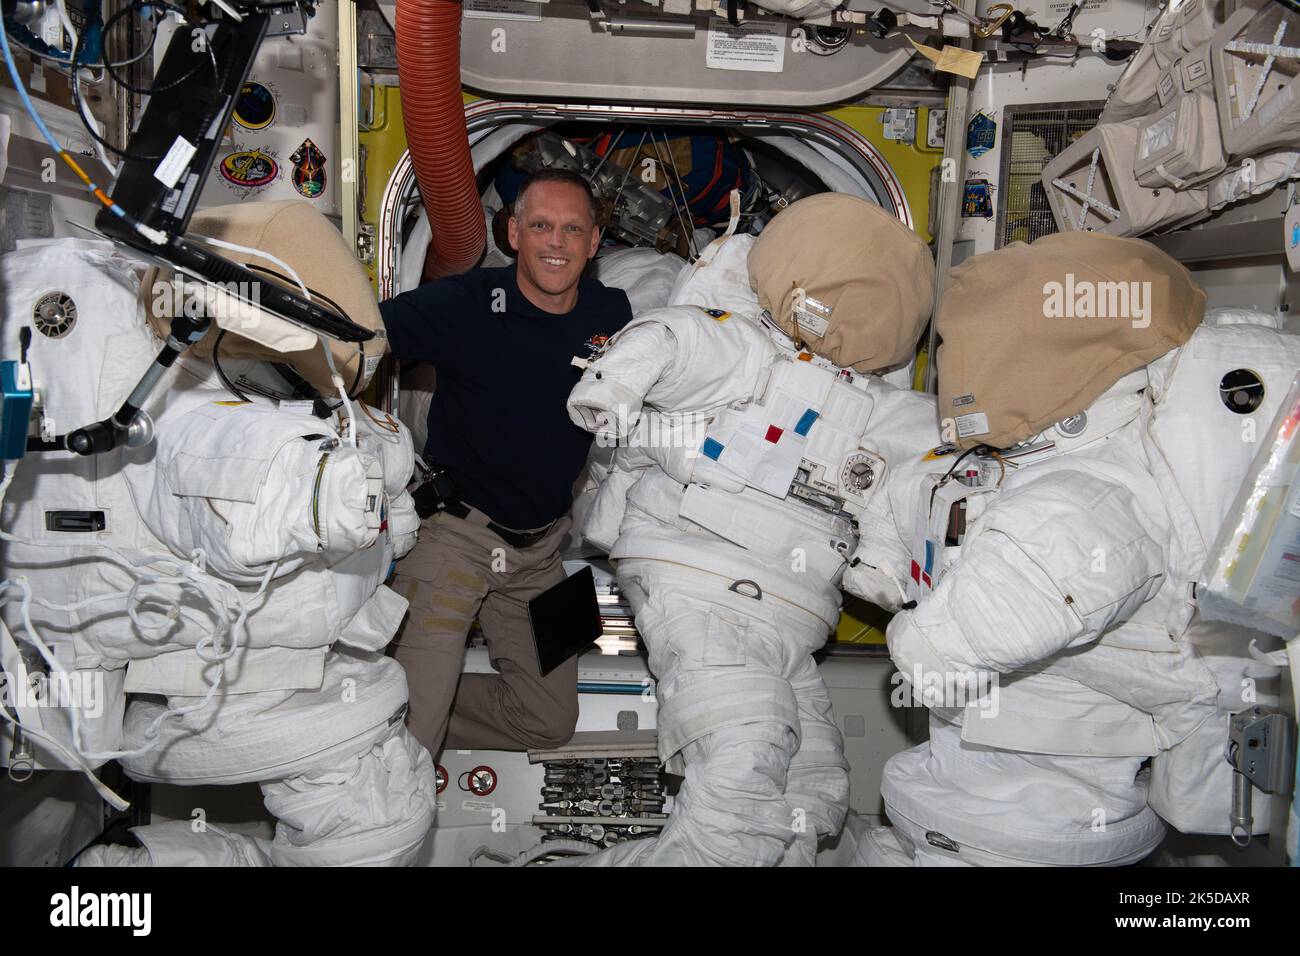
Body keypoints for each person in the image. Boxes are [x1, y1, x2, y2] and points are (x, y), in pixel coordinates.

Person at [856, 232, 1300, 866]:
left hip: (1032, 823)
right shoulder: (1015, 466)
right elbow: (915, 487)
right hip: (959, 788)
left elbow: (972, 632)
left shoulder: (1092, 495)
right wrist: (881, 557)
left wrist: (917, 642)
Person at [560, 193, 939, 865]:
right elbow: (669, 339)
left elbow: (900, 486)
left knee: (813, 796)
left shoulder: (883, 409)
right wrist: (611, 389)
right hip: (700, 578)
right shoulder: (745, 349)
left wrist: (882, 561)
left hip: (790, 619)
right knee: (743, 764)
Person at [380, 168, 634, 755]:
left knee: (549, 723)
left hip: (547, 553)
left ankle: (393, 700)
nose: (557, 242)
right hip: (454, 540)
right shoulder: (466, 302)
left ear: (595, 244)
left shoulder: (612, 312)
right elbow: (363, 335)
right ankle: (406, 712)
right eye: (541, 225)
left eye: (573, 229)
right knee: (412, 738)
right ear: (514, 232)